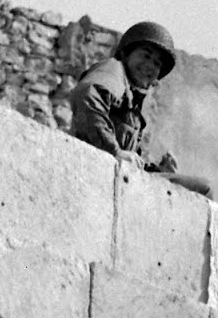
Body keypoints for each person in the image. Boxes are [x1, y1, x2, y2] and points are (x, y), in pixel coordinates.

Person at [70, 20, 210, 195]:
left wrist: (159, 169)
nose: (150, 65)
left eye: (157, 64)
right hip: (91, 168)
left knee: (197, 189)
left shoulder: (132, 97)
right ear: (126, 53)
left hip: (117, 177)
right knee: (204, 189)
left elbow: (131, 156)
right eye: (145, 55)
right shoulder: (114, 70)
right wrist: (114, 150)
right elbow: (86, 95)